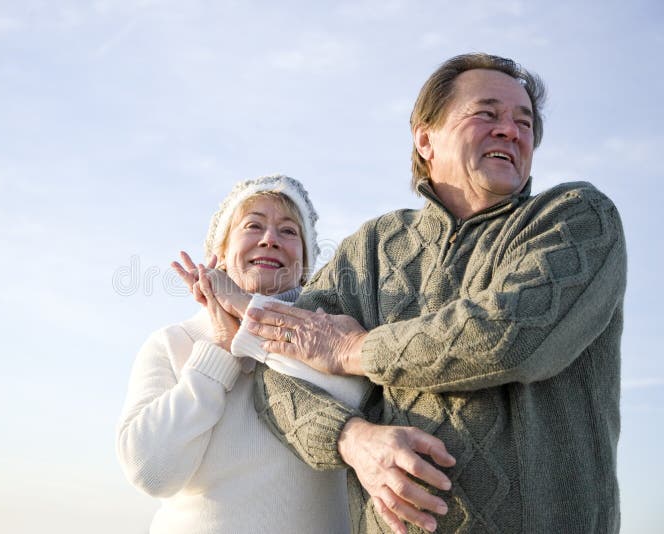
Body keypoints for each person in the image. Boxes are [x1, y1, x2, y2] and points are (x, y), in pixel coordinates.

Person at [208, 54, 627, 533]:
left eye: (524, 122)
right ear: (426, 139)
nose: (511, 131)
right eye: (487, 113)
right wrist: (351, 438)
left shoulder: (577, 217)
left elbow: (511, 335)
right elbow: (277, 370)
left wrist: (352, 349)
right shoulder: (372, 247)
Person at [115, 174, 369, 533]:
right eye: (253, 225)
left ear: (306, 266)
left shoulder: (337, 337)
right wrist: (220, 350)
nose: (270, 239)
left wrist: (250, 318)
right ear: (218, 255)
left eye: (288, 231)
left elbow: (350, 396)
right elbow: (150, 470)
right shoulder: (174, 342)